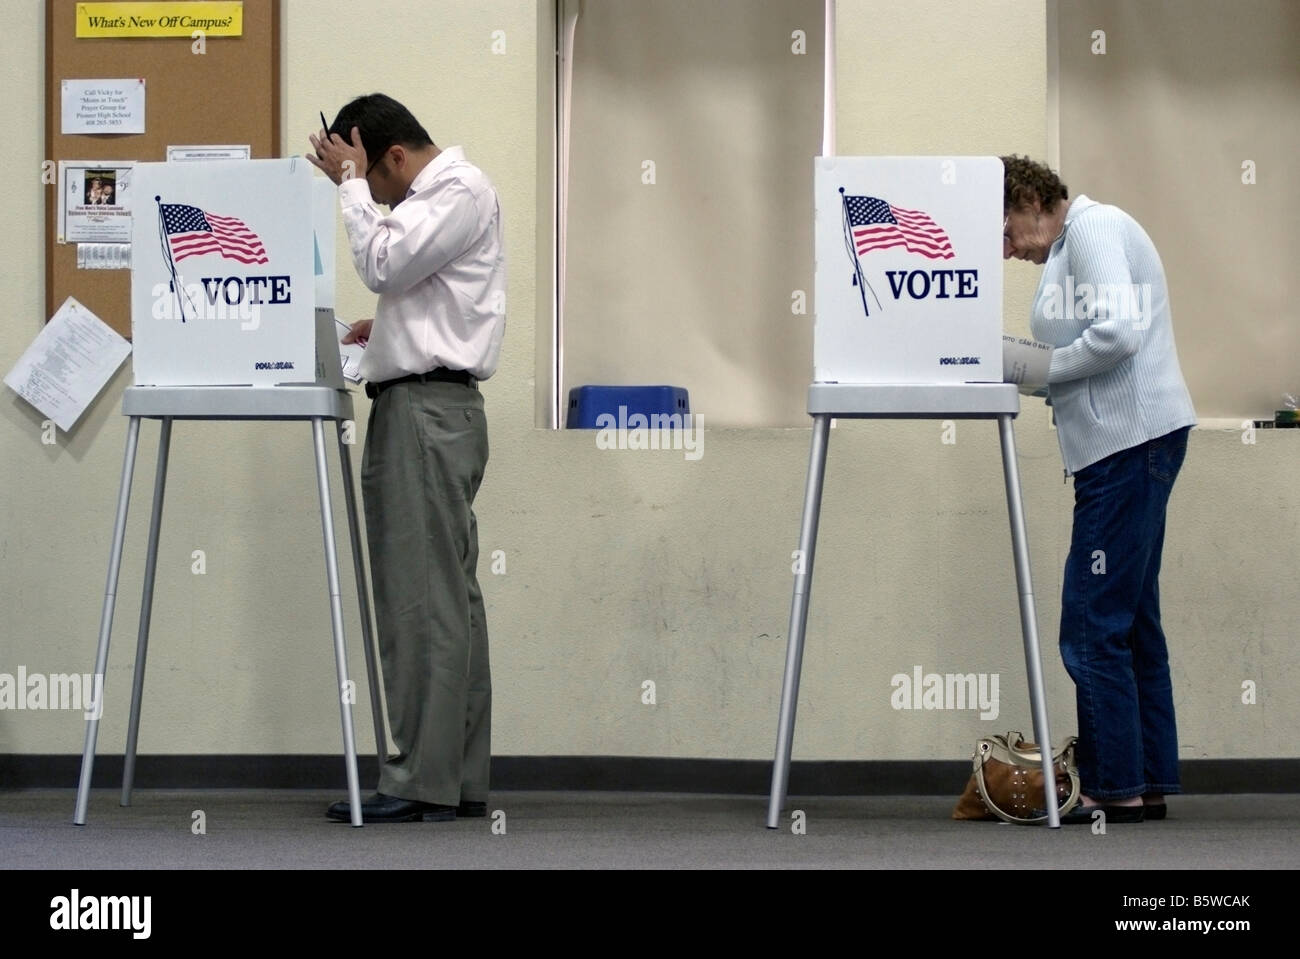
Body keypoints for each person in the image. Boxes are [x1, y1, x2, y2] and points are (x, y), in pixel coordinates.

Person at [307, 93, 505, 823]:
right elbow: (417, 290)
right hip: (430, 407)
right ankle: (453, 776)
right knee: (449, 602)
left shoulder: (458, 187)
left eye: (375, 182)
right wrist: (385, 333)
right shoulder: (451, 197)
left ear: (392, 156)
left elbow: (385, 261)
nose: (375, 202)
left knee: (421, 602)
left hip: (426, 416)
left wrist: (352, 189)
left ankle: (419, 779)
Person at [1001, 155, 1197, 824]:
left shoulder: (1089, 228)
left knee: (1090, 624)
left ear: (1030, 199)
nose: (1005, 250)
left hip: (1127, 446)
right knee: (1132, 618)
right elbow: (1089, 346)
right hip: (1130, 446)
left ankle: (1114, 786)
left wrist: (1046, 365)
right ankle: (1143, 782)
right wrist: (1026, 367)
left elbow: (1115, 333)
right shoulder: (1073, 245)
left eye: (1003, 231)